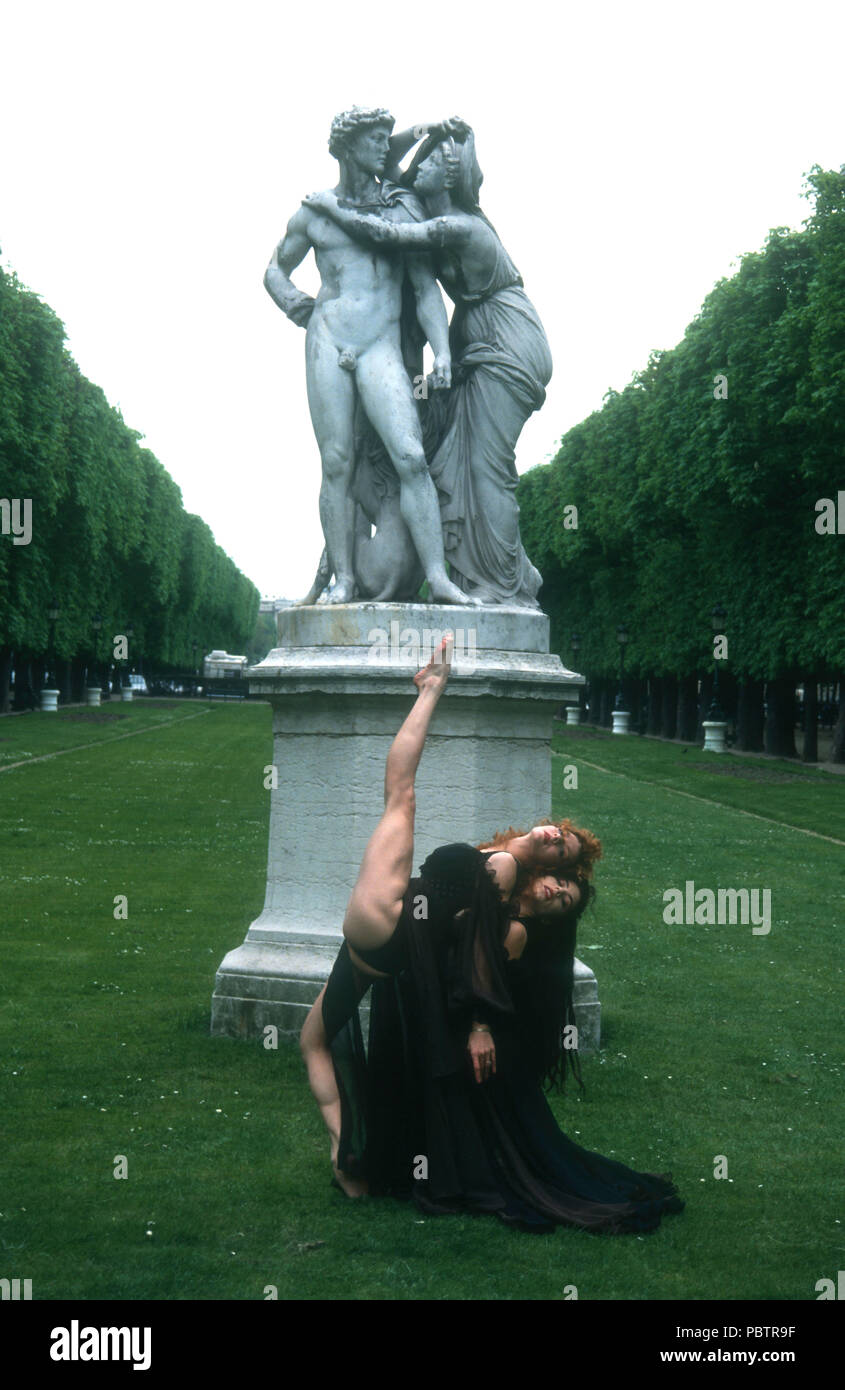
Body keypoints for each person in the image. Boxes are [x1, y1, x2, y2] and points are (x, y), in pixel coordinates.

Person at [300, 639, 684, 1233]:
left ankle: (431, 690)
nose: (557, 838)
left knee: (400, 795)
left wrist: (478, 1024)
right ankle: (347, 1159)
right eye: (563, 839)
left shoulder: (503, 873)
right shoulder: (500, 858)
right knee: (312, 1041)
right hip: (367, 954)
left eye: (563, 852)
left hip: (387, 922)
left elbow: (479, 944)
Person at [303, 118, 553, 609]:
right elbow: (382, 166)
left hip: (507, 339)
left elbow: (379, 231)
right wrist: (423, 129)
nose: (420, 163)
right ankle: (499, 573)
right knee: (456, 460)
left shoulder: (458, 225)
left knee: (485, 465)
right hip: (475, 341)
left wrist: (330, 206)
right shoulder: (418, 202)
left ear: (450, 177)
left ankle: (502, 584)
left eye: (435, 160)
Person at [265, 106, 475, 607]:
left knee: (410, 455)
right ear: (348, 146)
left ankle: (437, 579)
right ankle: (344, 580)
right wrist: (297, 305)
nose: (386, 146)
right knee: (336, 462)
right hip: (327, 339)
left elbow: (425, 290)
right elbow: (274, 270)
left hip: (380, 344)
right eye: (376, 138)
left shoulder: (401, 209)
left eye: (388, 137)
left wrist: (442, 350)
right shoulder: (313, 213)